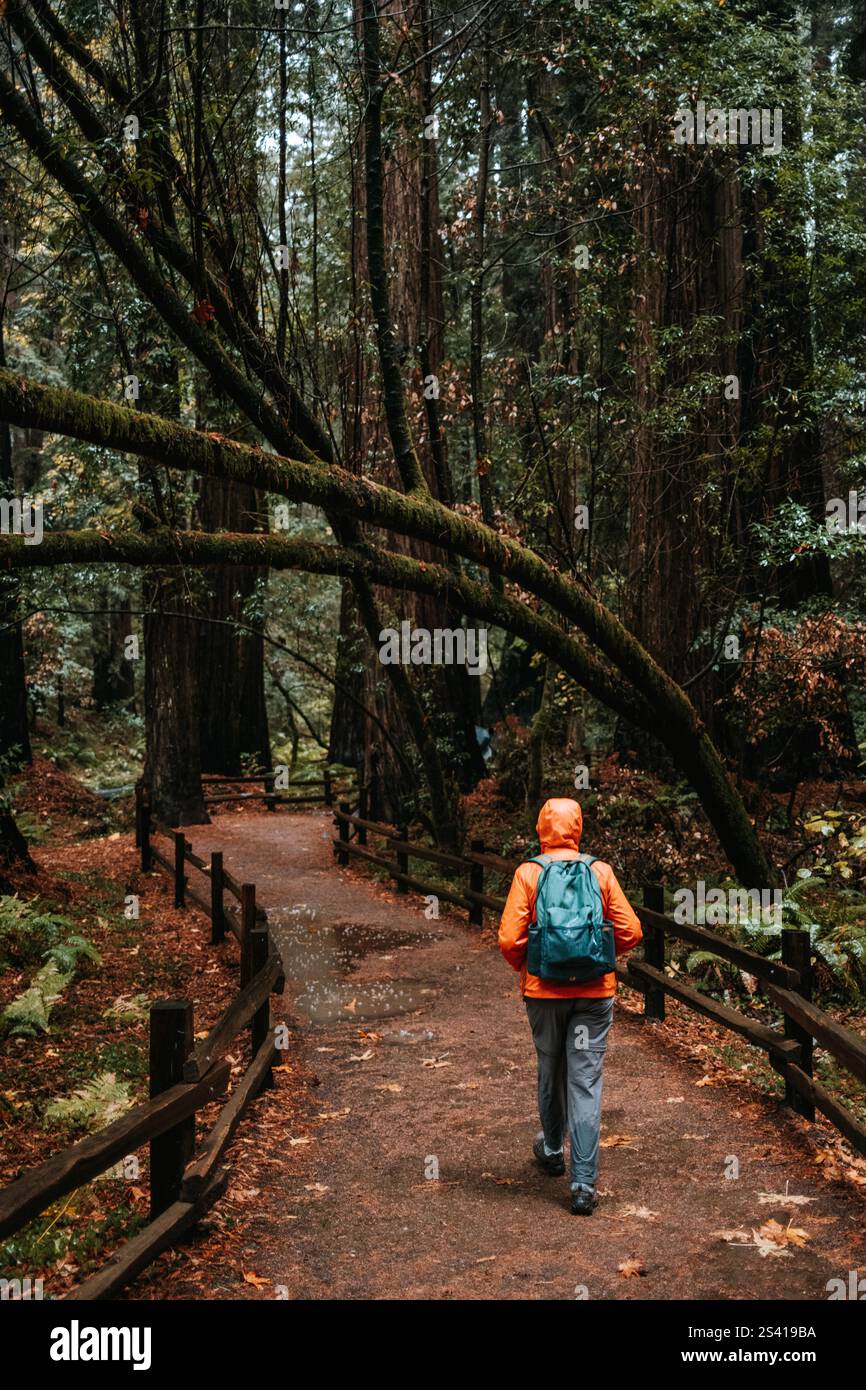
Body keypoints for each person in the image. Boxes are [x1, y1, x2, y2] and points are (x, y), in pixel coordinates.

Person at [498, 797, 643, 1215]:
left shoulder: (529, 873)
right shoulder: (600, 871)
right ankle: (582, 1184)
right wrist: (600, 950)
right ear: (578, 828)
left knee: (551, 1068)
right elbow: (631, 929)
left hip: (544, 993)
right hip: (594, 993)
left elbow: (509, 940)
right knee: (585, 1080)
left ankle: (552, 1150)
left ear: (541, 828)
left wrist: (531, 963)